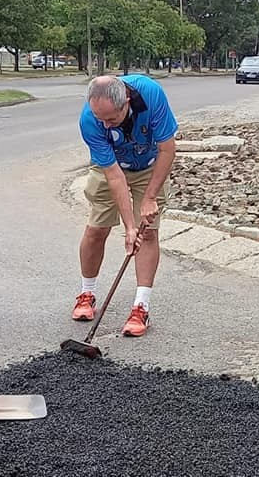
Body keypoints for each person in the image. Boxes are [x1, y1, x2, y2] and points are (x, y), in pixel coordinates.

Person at [71, 75, 178, 337]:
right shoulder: (90, 120)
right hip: (112, 168)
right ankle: (87, 293)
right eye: (101, 120)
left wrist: (150, 197)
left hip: (150, 164)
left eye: (111, 120)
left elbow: (168, 149)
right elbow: (115, 177)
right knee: (97, 228)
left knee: (148, 232)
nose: (105, 124)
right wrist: (128, 227)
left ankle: (140, 307)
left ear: (126, 102)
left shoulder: (151, 95)